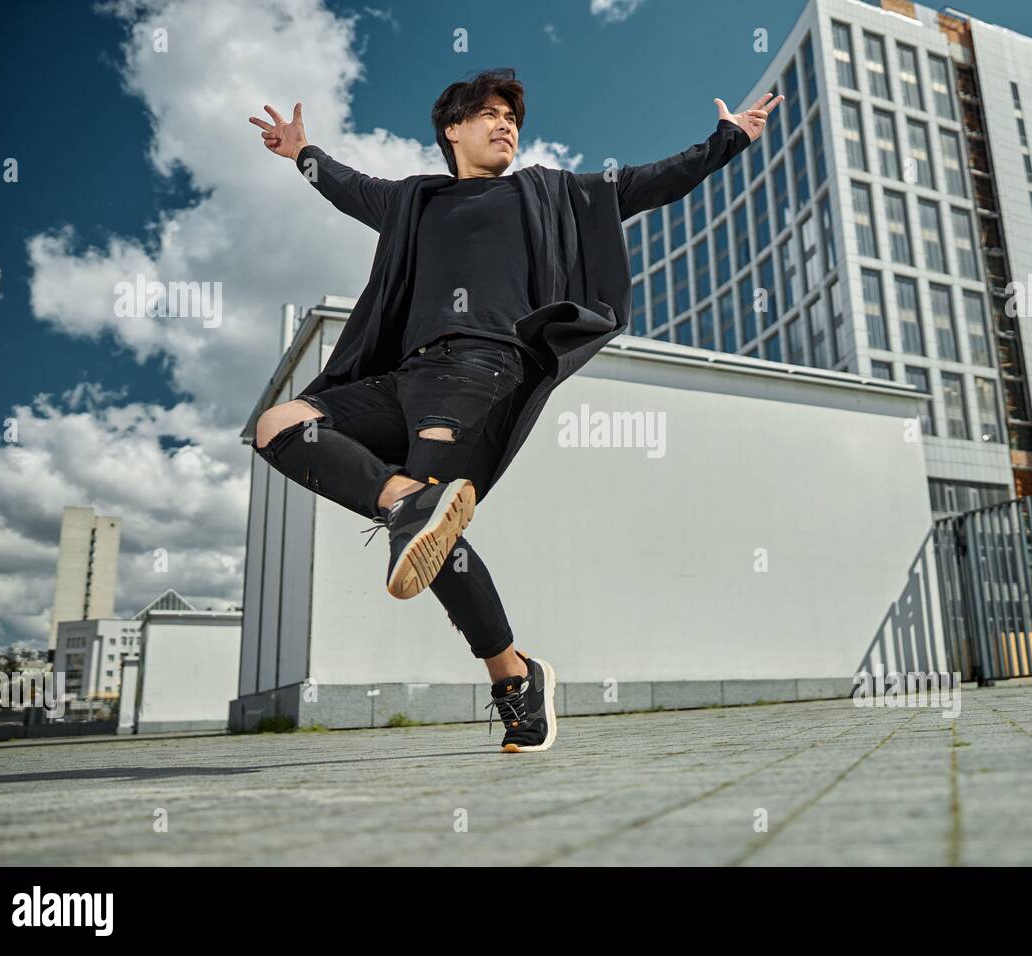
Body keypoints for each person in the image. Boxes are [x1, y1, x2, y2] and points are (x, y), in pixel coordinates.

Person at [248, 68, 779, 753]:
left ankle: (502, 670)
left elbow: (647, 183)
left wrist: (728, 139)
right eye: (489, 114)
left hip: (479, 368)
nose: (506, 125)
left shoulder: (550, 193)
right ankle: (507, 658)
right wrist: (302, 154)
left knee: (429, 536)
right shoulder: (415, 201)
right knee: (281, 428)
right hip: (402, 376)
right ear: (452, 129)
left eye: (512, 117)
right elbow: (350, 188)